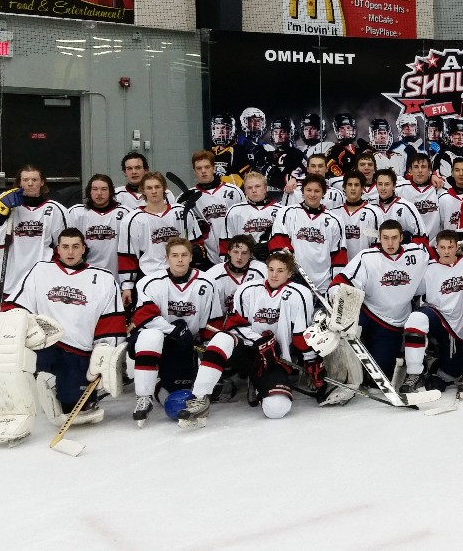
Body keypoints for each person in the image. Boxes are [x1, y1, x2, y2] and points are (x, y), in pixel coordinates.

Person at [0, 228, 126, 429]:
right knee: (22, 376)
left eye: (76, 246)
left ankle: (66, 391)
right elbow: (15, 307)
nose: (70, 252)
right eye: (65, 247)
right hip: (46, 347)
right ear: (58, 249)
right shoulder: (40, 270)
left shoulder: (103, 278)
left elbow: (112, 322)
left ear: (83, 248)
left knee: (73, 405)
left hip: (79, 353)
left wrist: (105, 357)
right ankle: (38, 383)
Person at [183, 250, 318, 423]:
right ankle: (200, 396)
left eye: (280, 270)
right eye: (271, 269)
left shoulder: (299, 294)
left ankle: (260, 385)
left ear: (290, 273)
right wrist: (259, 341)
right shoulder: (248, 289)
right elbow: (233, 324)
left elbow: (301, 334)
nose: (274, 275)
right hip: (246, 353)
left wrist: (312, 361)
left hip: (274, 360)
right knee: (222, 338)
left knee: (277, 409)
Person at [128, 237, 223, 425]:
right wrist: (173, 330)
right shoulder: (150, 282)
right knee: (150, 335)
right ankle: (143, 397)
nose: (180, 260)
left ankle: (159, 384)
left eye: (184, 255)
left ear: (190, 258)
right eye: (175, 255)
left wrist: (207, 350)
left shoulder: (207, 282)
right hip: (157, 341)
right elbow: (144, 317)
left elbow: (213, 322)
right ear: (167, 258)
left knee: (178, 388)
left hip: (187, 344)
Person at [330, 220, 428, 377]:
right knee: (339, 329)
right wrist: (336, 294)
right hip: (368, 314)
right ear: (379, 238)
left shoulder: (417, 254)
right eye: (385, 238)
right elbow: (341, 281)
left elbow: (441, 256)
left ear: (402, 237)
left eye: (394, 237)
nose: (390, 243)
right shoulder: (367, 257)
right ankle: (339, 374)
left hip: (393, 323)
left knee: (380, 375)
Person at [400, 230, 463, 397]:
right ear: (437, 248)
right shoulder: (427, 269)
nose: (447, 251)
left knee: (453, 371)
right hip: (436, 317)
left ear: (457, 247)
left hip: (460, 325)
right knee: (416, 319)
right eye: (442, 247)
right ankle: (414, 374)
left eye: (450, 247)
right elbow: (409, 292)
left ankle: (440, 367)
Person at [117, 171, 206, 306]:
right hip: (150, 276)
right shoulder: (132, 220)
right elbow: (128, 256)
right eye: (149, 188)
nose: (154, 191)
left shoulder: (181, 212)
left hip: (181, 274)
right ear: (143, 191)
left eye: (157, 187)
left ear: (164, 189)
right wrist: (127, 286)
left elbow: (197, 242)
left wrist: (196, 250)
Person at [0, 165, 69, 302]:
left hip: (43, 279)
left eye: (34, 179)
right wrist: (1, 216)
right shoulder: (8, 206)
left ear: (42, 182)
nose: (30, 184)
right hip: (12, 279)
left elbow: (65, 247)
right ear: (20, 182)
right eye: (26, 180)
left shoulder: (56, 209)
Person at [268, 174, 344, 291]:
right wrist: (291, 271)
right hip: (292, 282)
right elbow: (278, 244)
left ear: (323, 193)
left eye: (317, 191)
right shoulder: (287, 213)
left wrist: (335, 286)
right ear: (302, 191)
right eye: (308, 190)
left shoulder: (335, 221)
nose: (312, 194)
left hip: (323, 285)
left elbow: (338, 257)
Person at [182, 151, 246, 267]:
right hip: (206, 257)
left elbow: (244, 221)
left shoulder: (234, 191)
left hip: (236, 253)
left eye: (207, 167)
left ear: (214, 168)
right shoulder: (188, 197)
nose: (203, 171)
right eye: (199, 168)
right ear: (194, 171)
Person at [67, 174, 128, 280]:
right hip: (84, 275)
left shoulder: (125, 213)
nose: (99, 193)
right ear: (89, 192)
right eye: (95, 189)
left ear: (111, 192)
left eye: (104, 189)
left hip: (116, 276)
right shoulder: (77, 212)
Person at [221, 172, 280, 261]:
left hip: (273, 263)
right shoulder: (234, 211)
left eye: (257, 186)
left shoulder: (281, 211)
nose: (254, 190)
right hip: (244, 263)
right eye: (249, 187)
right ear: (245, 191)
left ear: (265, 188)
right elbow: (225, 242)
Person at [369, 168, 428, 247]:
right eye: (380, 184)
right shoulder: (370, 207)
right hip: (378, 256)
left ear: (394, 186)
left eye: (387, 184)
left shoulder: (406, 207)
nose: (383, 188)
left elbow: (421, 236)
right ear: (376, 186)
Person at [397, 153, 443, 239]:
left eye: (424, 167)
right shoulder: (399, 188)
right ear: (410, 170)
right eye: (416, 167)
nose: (420, 170)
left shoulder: (439, 187)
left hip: (434, 245)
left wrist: (433, 177)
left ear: (430, 170)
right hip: (410, 245)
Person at [260, 118, 306, 200]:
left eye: (283, 132)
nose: (279, 136)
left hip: (289, 197)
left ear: (290, 133)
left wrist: (279, 178)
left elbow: (301, 178)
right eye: (276, 132)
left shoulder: (298, 154)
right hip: (268, 197)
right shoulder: (269, 155)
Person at [209, 113, 252, 188]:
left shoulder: (239, 151)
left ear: (232, 130)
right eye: (217, 128)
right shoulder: (210, 152)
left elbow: (243, 180)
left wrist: (216, 181)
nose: (220, 132)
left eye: (224, 128)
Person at [437, 157, 463, 235]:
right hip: (450, 244)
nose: (461, 174)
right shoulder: (443, 198)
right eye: (457, 170)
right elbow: (440, 226)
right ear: (452, 173)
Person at [325, 112, 370, 178]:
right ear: (337, 130)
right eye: (342, 129)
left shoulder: (359, 150)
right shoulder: (334, 151)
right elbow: (337, 177)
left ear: (353, 129)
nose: (346, 132)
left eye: (348, 128)